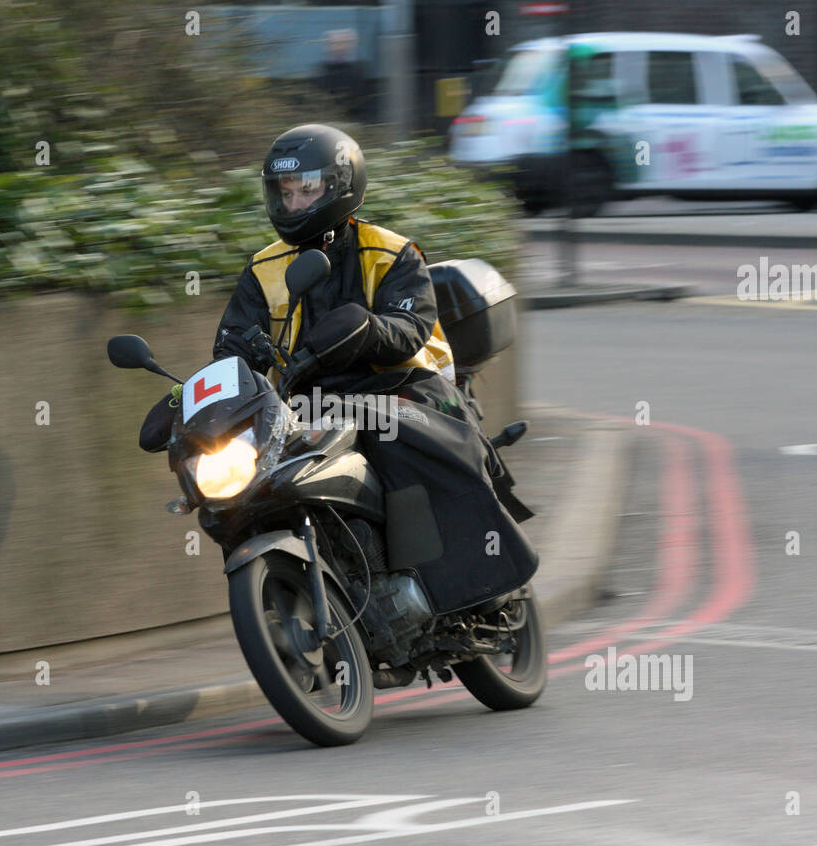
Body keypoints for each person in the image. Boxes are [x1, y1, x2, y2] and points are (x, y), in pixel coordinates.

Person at [147, 124, 537, 614]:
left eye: (306, 189)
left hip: (404, 386)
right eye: (284, 192)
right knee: (247, 481)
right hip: (309, 403)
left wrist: (367, 330)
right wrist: (190, 403)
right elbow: (233, 352)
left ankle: (472, 575)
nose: (293, 203)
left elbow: (411, 325)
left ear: (340, 185)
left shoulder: (391, 250)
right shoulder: (264, 269)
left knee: (400, 438)